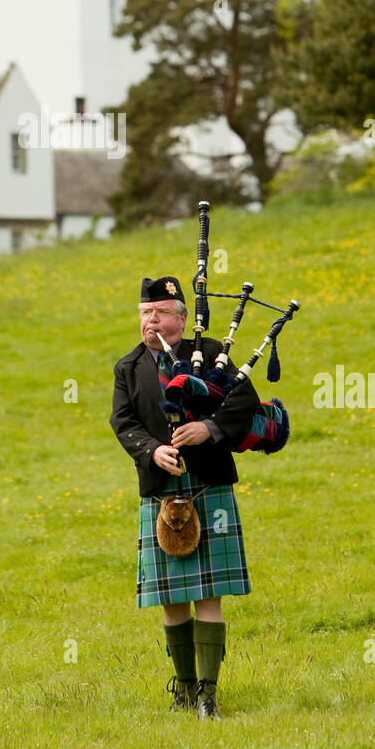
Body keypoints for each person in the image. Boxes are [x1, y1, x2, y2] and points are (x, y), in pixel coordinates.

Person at [110, 276, 264, 719]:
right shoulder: (129, 367)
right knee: (172, 598)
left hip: (208, 484)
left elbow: (245, 401)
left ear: (181, 316)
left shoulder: (212, 354)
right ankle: (183, 689)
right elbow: (122, 423)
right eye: (144, 312)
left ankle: (209, 697)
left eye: (159, 312)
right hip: (162, 492)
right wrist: (151, 449)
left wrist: (209, 429)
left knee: (209, 594)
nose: (150, 320)